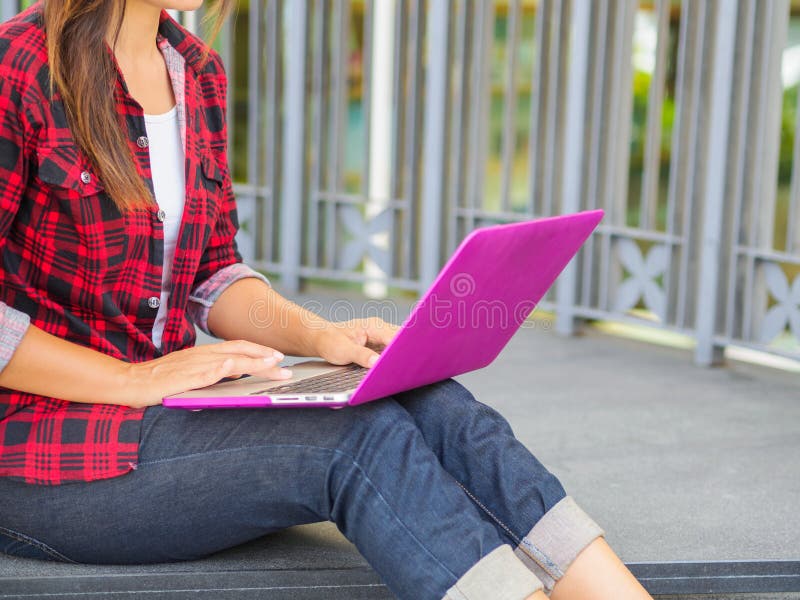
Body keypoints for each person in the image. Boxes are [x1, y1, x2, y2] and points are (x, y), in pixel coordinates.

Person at [0, 2, 654, 599]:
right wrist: (131, 379)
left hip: (157, 418)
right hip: (40, 454)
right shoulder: (18, 69)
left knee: (432, 399)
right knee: (354, 441)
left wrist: (321, 340)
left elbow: (211, 272)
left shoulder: (195, 72)